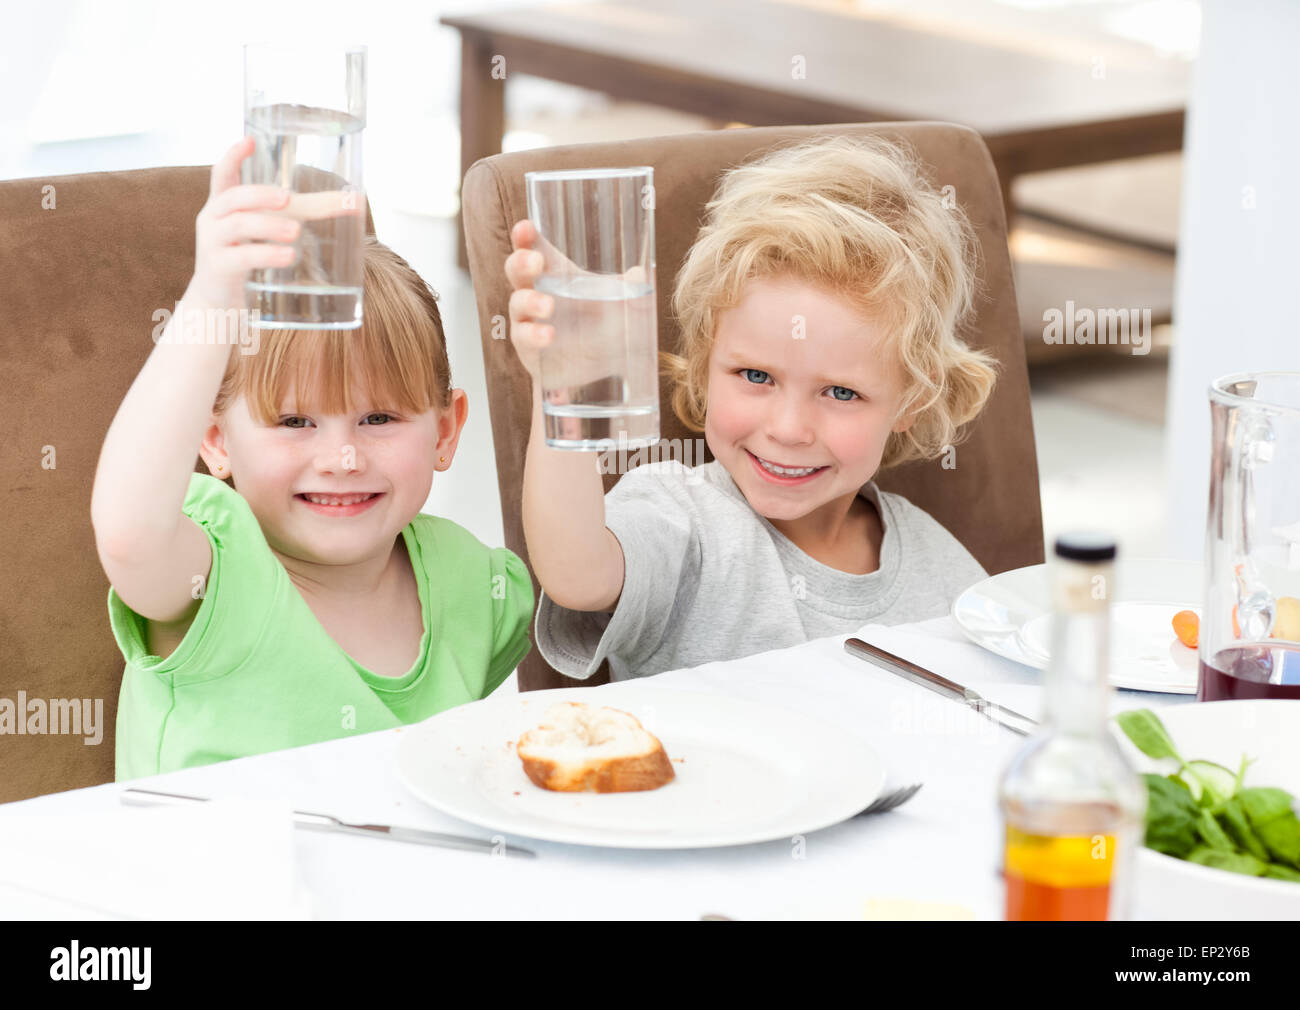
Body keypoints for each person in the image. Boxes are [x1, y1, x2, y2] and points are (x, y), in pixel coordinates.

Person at [93, 137, 532, 779]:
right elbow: (130, 533)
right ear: (215, 442)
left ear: (445, 431)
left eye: (379, 419)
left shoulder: (475, 585)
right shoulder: (215, 574)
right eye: (295, 422)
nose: (343, 457)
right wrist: (214, 293)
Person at [505, 134, 998, 681]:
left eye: (840, 393)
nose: (788, 430)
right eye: (756, 376)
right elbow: (575, 573)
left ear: (912, 401)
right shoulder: (682, 517)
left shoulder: (938, 563)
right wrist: (566, 385)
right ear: (703, 369)